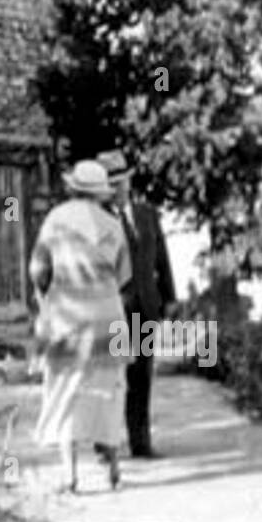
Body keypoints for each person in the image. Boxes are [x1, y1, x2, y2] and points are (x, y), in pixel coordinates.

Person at [29, 159, 131, 492]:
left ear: (72, 187)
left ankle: (71, 475)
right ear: (101, 192)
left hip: (67, 317)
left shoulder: (55, 220)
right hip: (109, 318)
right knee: (110, 392)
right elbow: (124, 275)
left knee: (65, 391)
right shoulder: (114, 225)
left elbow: (38, 269)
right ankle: (113, 468)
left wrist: (45, 298)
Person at [97, 149, 177, 457]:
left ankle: (141, 443)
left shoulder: (147, 214)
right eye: (111, 184)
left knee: (142, 377)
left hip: (146, 308)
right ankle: (106, 445)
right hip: (114, 312)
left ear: (129, 182)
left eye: (121, 182)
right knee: (114, 378)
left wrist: (169, 297)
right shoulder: (99, 222)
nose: (117, 190)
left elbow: (162, 259)